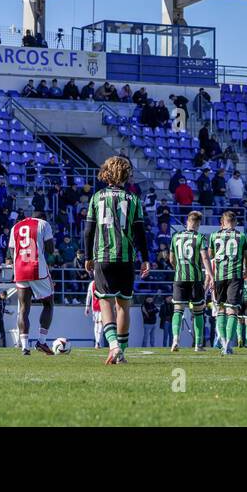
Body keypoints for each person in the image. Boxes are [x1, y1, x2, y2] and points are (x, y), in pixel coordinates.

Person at [85, 156, 151, 365]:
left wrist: (87, 256)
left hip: (103, 257)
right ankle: (121, 351)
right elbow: (140, 233)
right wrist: (145, 259)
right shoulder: (134, 200)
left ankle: (112, 344)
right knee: (124, 305)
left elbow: (88, 230)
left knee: (105, 302)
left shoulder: (97, 197)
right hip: (126, 258)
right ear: (126, 175)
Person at [9, 207, 56, 355]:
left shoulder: (15, 226)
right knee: (48, 304)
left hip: (20, 269)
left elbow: (11, 250)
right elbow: (50, 248)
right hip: (37, 268)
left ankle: (24, 347)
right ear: (43, 217)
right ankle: (41, 342)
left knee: (23, 308)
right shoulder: (44, 224)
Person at [207, 209, 247, 356]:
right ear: (236, 222)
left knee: (220, 309)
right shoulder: (242, 236)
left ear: (222, 222)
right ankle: (227, 345)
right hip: (235, 276)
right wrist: (246, 271)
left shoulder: (214, 235)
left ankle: (223, 342)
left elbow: (210, 256)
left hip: (219, 276)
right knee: (232, 310)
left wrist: (210, 276)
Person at [169, 210, 208, 352]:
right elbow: (204, 258)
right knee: (198, 312)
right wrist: (209, 273)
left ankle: (175, 340)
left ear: (187, 221)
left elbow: (171, 259)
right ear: (198, 224)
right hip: (195, 279)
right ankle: (198, 344)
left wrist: (178, 269)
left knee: (178, 310)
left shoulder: (176, 236)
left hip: (179, 277)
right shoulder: (200, 237)